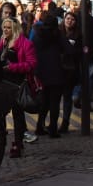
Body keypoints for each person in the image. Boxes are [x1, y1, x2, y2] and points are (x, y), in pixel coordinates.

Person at [0, 16, 36, 156]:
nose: (6, 30)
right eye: (4, 27)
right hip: (3, 83)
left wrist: (12, 67)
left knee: (17, 115)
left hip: (18, 84)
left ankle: (18, 144)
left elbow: (31, 64)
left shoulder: (25, 43)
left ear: (15, 29)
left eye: (9, 27)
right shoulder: (3, 41)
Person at [29, 8, 70, 137]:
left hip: (41, 71)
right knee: (54, 102)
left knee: (44, 101)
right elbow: (69, 49)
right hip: (56, 71)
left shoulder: (37, 35)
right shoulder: (57, 35)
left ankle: (39, 127)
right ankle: (53, 129)